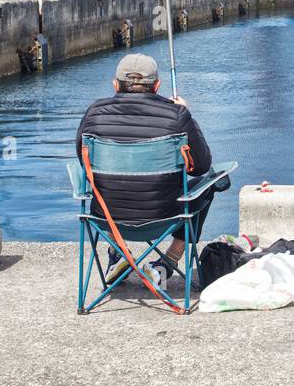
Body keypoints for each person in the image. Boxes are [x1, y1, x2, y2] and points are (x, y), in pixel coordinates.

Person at [76, 53, 227, 287]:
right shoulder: (176, 116)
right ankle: (167, 262)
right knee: (214, 179)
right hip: (166, 216)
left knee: (108, 184)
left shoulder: (94, 114)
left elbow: (83, 161)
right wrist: (187, 115)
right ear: (157, 86)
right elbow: (201, 167)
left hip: (105, 217)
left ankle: (119, 254)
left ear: (115, 85)